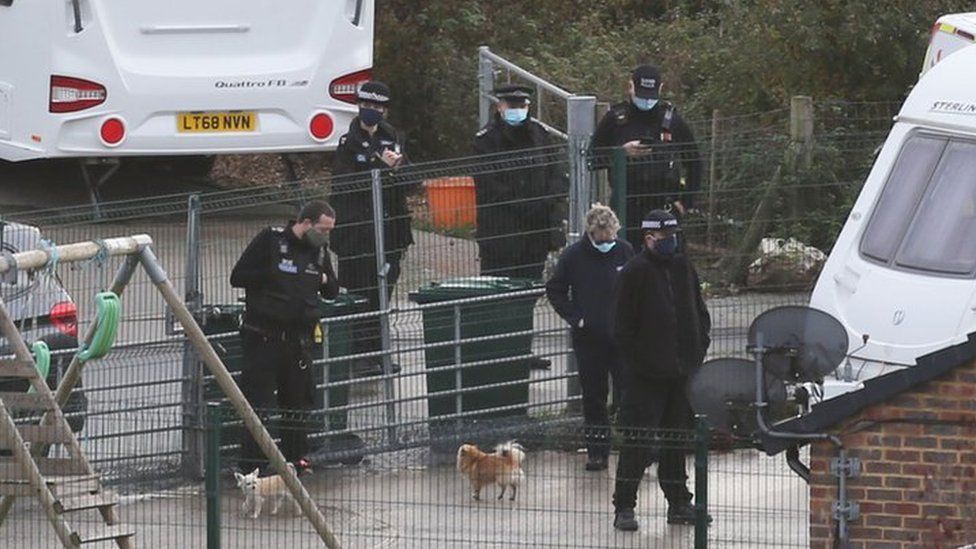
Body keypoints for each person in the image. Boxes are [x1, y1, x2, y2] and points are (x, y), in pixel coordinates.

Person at [611, 209, 711, 531]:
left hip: (681, 372)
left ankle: (679, 502)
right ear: (649, 238)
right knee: (638, 442)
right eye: (665, 237)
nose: (671, 242)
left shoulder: (683, 267)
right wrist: (640, 362)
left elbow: (698, 310)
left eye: (673, 236)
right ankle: (624, 505)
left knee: (676, 441)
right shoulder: (634, 272)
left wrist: (698, 347)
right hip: (646, 376)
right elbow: (622, 327)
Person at [230, 200, 340, 474]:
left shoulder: (318, 252)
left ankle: (295, 463)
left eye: (329, 231)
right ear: (306, 223)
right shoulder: (271, 240)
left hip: (298, 341)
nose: (325, 236)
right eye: (323, 229)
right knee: (258, 404)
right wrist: (273, 275)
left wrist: (323, 279)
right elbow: (238, 276)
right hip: (263, 337)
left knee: (297, 404)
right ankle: (253, 467)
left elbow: (332, 290)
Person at [473, 84, 567, 370]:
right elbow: (489, 184)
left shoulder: (540, 135)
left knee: (527, 292)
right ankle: (497, 353)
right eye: (511, 105)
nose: (516, 111)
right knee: (498, 294)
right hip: (501, 231)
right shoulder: (486, 140)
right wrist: (524, 204)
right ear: (500, 107)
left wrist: (546, 200)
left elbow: (557, 173)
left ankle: (521, 350)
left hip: (535, 231)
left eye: (521, 106)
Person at [331, 80, 415, 376]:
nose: (371, 111)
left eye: (377, 107)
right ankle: (357, 355)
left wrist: (398, 167)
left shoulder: (394, 139)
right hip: (358, 234)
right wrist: (377, 166)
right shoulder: (347, 143)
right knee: (359, 294)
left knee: (382, 295)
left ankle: (378, 352)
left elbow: (412, 182)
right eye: (366, 105)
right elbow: (345, 185)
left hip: (391, 231)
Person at [545, 204, 633, 471]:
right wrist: (577, 318)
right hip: (589, 339)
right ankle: (597, 452)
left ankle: (636, 448)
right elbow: (556, 289)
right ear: (591, 234)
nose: (607, 243)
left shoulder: (625, 251)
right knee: (594, 398)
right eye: (602, 239)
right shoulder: (573, 256)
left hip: (622, 337)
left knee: (629, 393)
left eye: (610, 238)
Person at [590, 65, 703, 251]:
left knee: (668, 260)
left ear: (660, 89)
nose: (646, 101)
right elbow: (591, 158)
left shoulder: (671, 120)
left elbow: (695, 162)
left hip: (664, 206)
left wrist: (685, 202)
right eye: (642, 95)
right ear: (631, 87)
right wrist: (620, 153)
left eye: (651, 96)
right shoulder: (615, 119)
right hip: (627, 207)